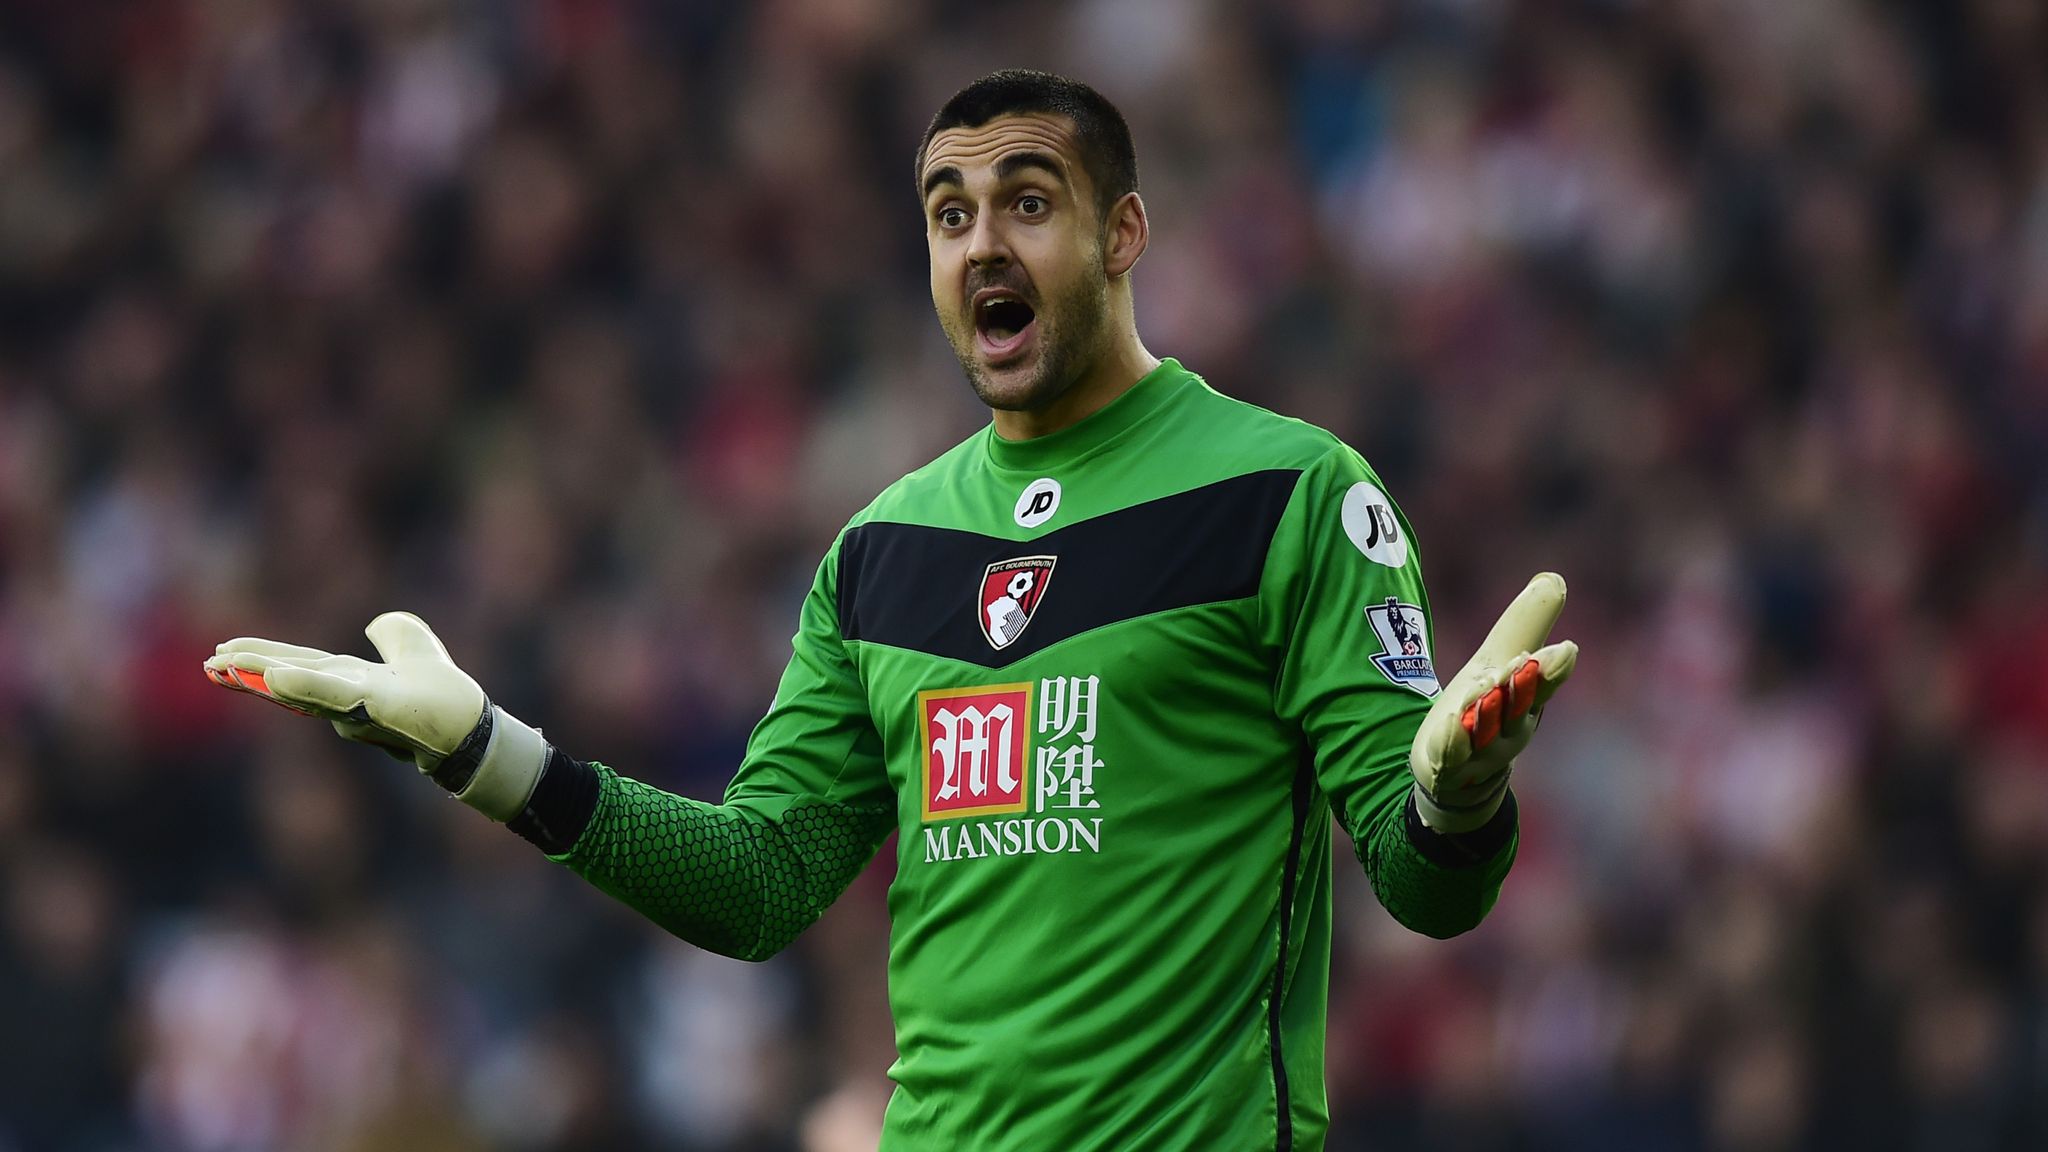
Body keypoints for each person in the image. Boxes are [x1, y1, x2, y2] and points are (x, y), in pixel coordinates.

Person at [205, 69, 1578, 1152]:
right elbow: (761, 884)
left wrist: (1454, 796)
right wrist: (489, 755)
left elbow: (1421, 885)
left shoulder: (1284, 492)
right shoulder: (883, 550)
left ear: (1124, 232)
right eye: (949, 213)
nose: (984, 242)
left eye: (1028, 202)